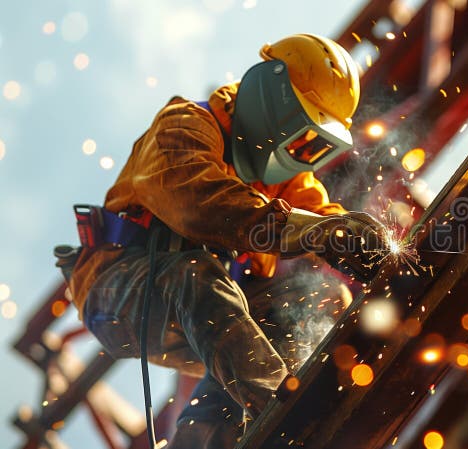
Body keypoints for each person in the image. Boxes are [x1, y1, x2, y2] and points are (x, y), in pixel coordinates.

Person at [66, 34, 387, 448]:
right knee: (197, 277)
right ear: (274, 100)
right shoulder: (184, 124)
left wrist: (357, 240)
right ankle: (280, 413)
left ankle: (206, 440)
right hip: (118, 291)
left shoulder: (286, 179)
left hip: (205, 303)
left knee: (317, 298)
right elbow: (205, 204)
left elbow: (321, 215)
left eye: (314, 146)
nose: (298, 152)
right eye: (301, 133)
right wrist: (314, 232)